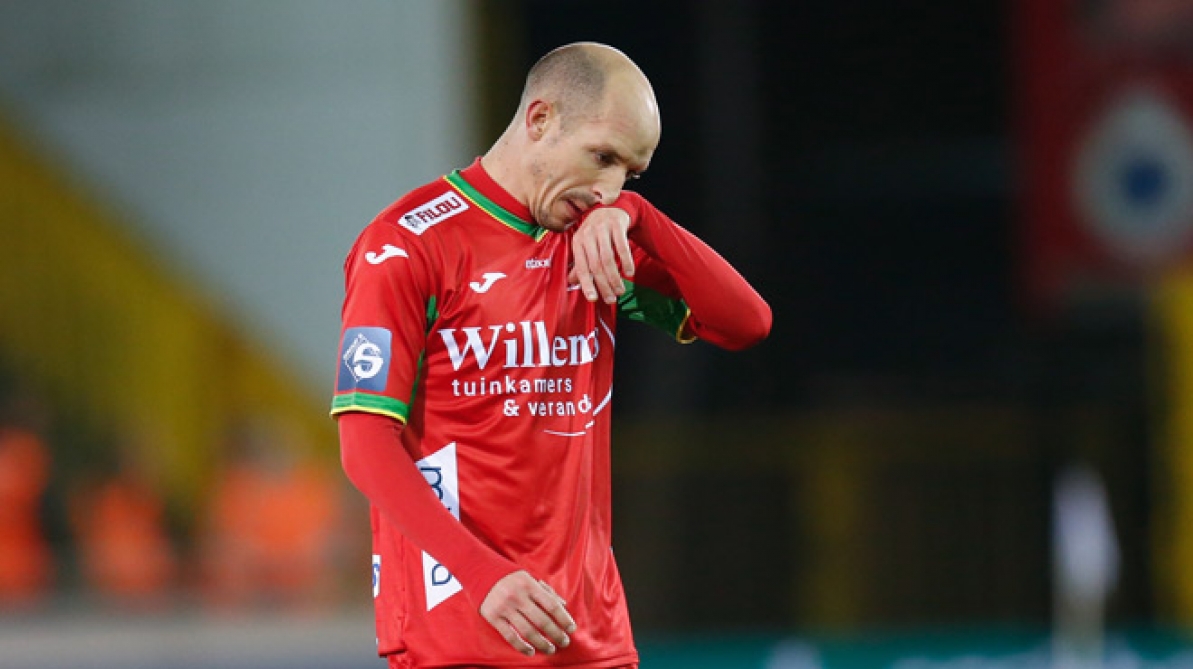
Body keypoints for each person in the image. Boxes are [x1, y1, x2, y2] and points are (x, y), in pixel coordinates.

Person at [333, 42, 771, 669]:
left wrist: (639, 218)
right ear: (540, 120)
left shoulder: (596, 248)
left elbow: (746, 323)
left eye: (630, 173)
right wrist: (483, 576)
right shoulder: (405, 247)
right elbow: (365, 443)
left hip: (589, 636)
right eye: (602, 158)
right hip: (462, 631)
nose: (609, 187)